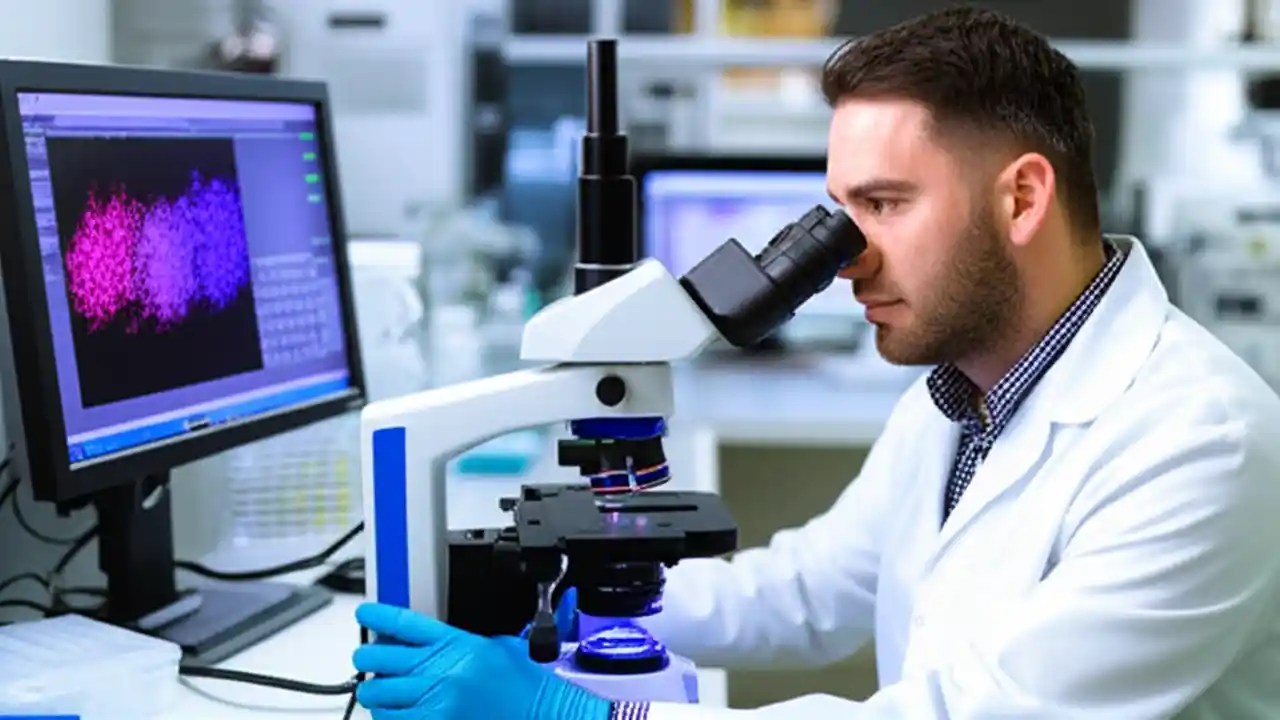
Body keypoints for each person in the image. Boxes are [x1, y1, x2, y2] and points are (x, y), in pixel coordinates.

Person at [350, 7, 1280, 719]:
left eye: (882, 205)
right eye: (836, 211)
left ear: (1022, 199)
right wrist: (569, 599)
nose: (846, 256)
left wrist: (574, 711)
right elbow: (813, 590)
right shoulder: (965, 391)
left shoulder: (1201, 444)